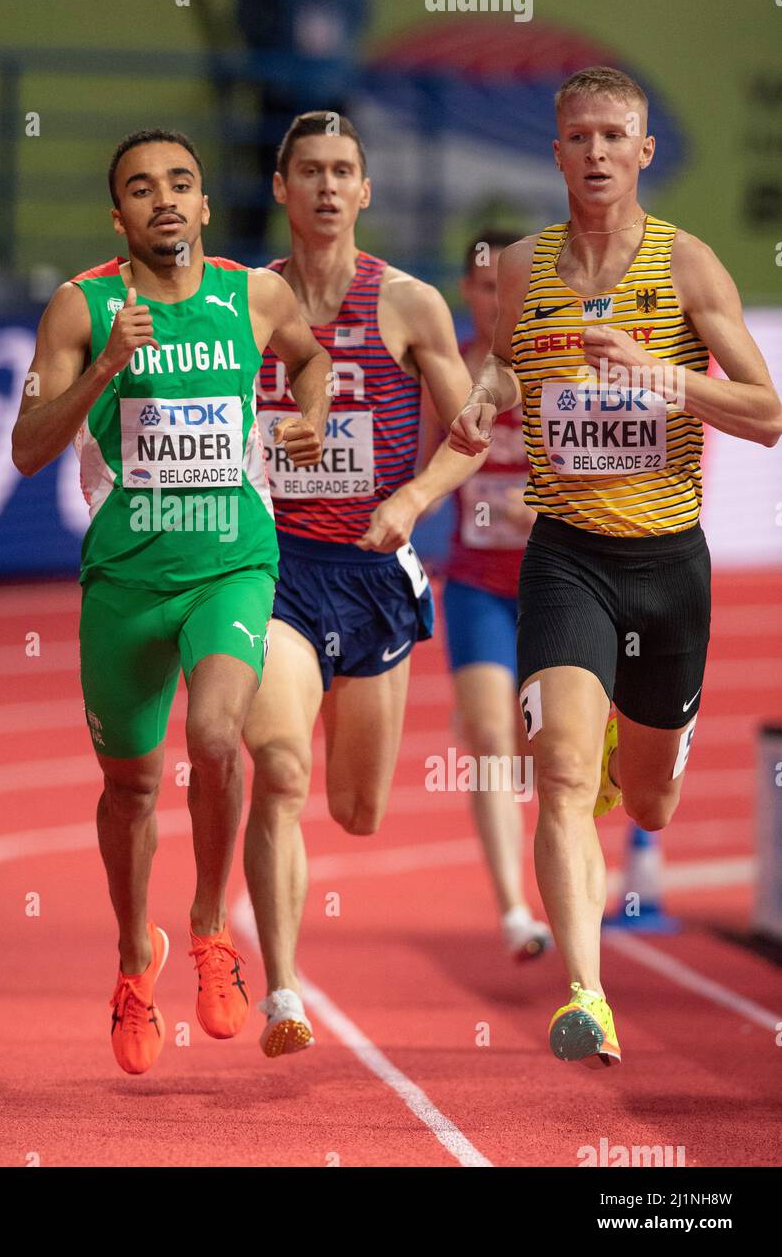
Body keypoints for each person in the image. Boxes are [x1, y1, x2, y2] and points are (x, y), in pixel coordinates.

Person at [449, 65, 782, 1067]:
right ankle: (587, 995)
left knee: (648, 803)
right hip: (566, 558)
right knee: (555, 776)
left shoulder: (691, 269)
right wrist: (484, 392)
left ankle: (645, 757)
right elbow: (512, 362)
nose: (595, 153)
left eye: (614, 137)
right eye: (578, 137)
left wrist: (667, 377)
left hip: (668, 566)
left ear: (642, 151)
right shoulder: (517, 269)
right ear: (555, 153)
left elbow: (768, 414)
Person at [11, 128, 331, 1075]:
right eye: (141, 188)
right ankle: (130, 959)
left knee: (218, 738)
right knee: (131, 787)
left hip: (230, 564)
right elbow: (28, 444)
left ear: (202, 206)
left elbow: (310, 361)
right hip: (123, 583)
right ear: (118, 216)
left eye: (180, 185)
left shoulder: (255, 295)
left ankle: (206, 926)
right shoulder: (81, 306)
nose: (163, 200)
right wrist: (106, 366)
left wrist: (308, 414)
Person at [244, 111, 485, 1057]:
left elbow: (469, 435)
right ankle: (283, 992)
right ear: (281, 186)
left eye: (344, 171)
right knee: (277, 768)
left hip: (374, 574)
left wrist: (417, 498)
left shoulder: (412, 304)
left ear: (365, 190)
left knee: (356, 809)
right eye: (309, 171)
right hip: (273, 571)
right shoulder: (242, 301)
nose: (328, 187)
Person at [437, 229, 553, 963]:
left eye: (503, 288)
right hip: (476, 584)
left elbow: (598, 466)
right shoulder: (444, 365)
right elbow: (417, 458)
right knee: (487, 743)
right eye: (480, 287)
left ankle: (564, 880)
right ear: (464, 290)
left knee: (542, 753)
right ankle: (512, 909)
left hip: (556, 582)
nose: (491, 300)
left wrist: (536, 505)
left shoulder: (551, 359)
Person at [234, 0, 370, 255]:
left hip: (332, 93)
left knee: (333, 189)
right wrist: (274, 55)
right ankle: (247, 272)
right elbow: (248, 16)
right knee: (264, 189)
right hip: (280, 90)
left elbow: (359, 15)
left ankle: (334, 268)